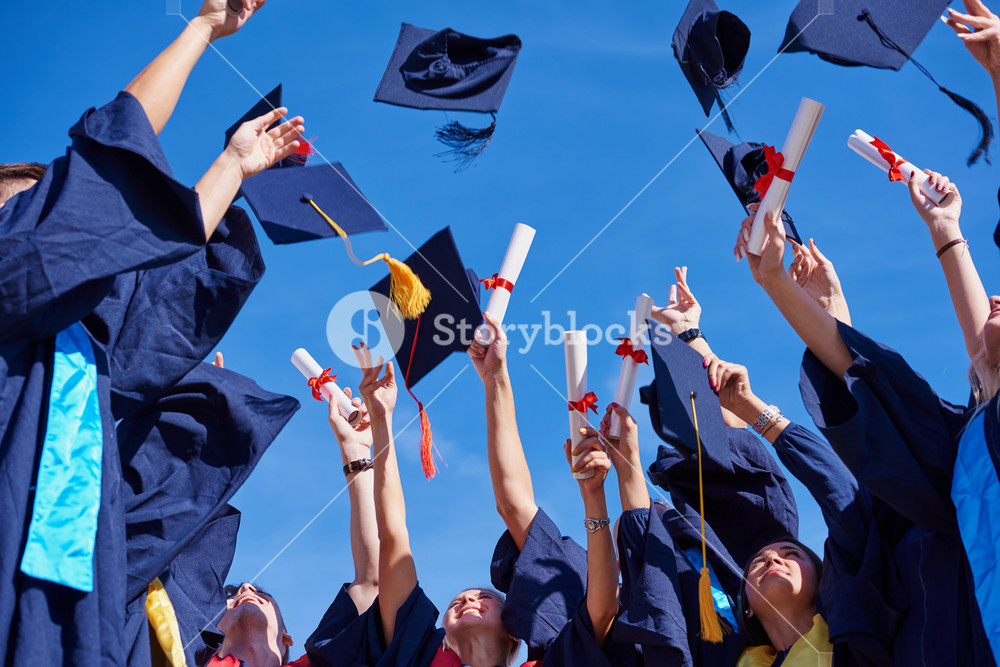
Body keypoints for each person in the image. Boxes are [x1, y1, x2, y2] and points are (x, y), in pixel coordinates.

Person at [0, 1, 304, 663]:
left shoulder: (78, 353)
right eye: (29, 202)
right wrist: (201, 29)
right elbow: (106, 175)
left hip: (72, 604)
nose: (54, 212)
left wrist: (234, 163)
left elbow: (164, 284)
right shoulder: (13, 279)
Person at [735, 193, 998, 663]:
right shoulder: (963, 460)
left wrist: (779, 286)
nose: (995, 298)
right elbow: (879, 396)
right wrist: (943, 228)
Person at [305, 342, 523, 667]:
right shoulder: (416, 654)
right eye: (458, 602)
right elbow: (392, 538)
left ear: (513, 632)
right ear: (443, 632)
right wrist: (381, 423)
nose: (466, 600)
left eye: (485, 597)